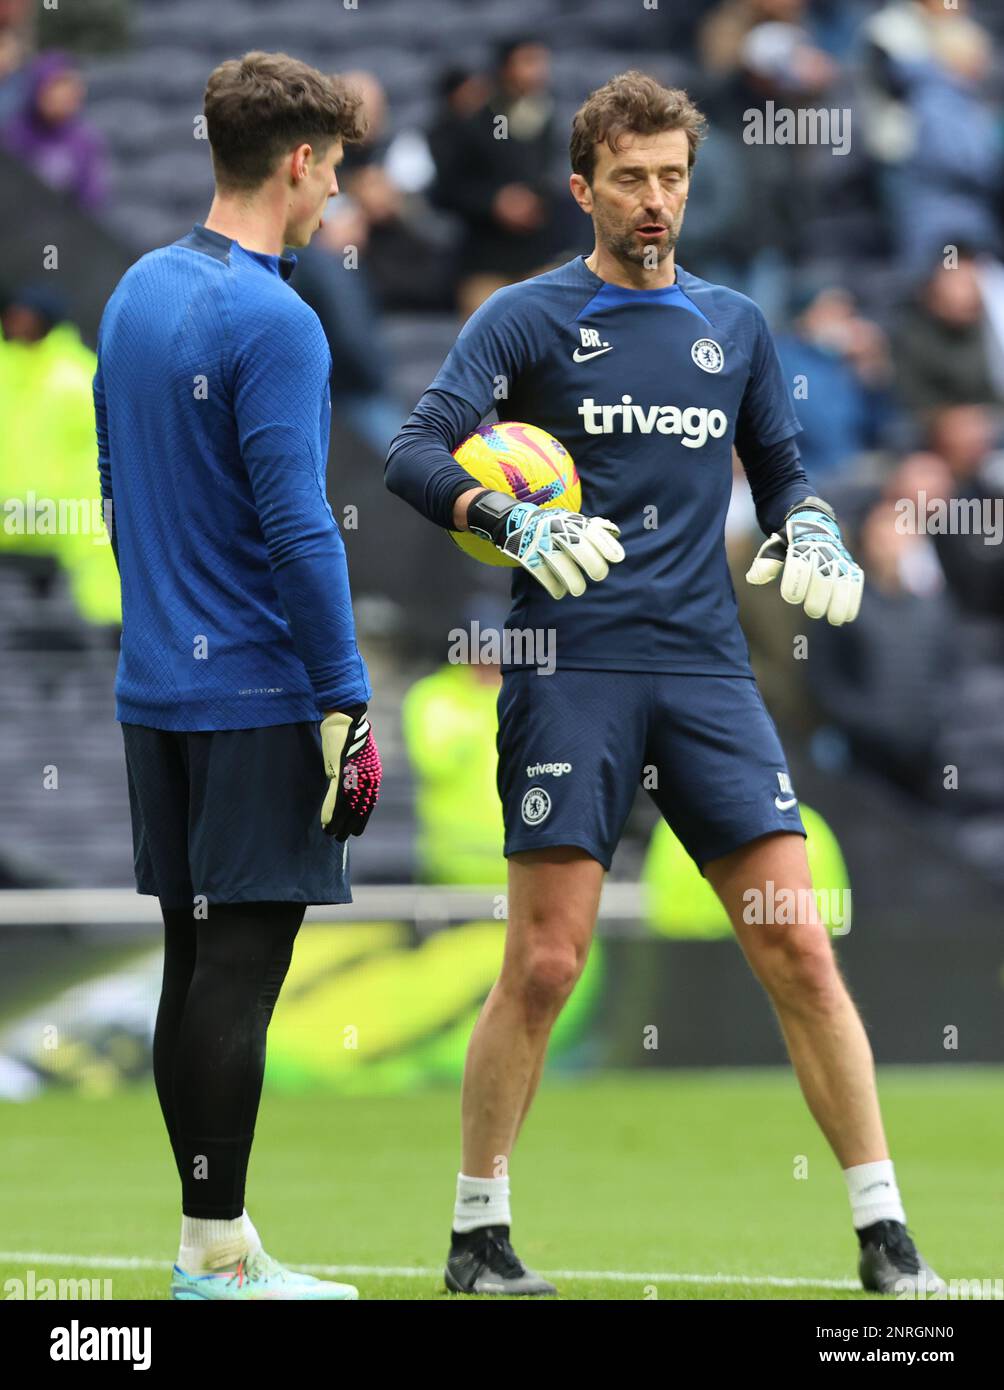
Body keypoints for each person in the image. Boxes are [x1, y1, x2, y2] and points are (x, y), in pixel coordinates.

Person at [385, 69, 944, 1298]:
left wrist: (809, 529)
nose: (654, 201)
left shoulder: (733, 325)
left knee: (796, 947)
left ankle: (882, 1231)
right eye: (629, 179)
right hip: (568, 665)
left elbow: (783, 467)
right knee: (542, 963)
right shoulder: (523, 320)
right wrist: (506, 523)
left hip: (703, 669)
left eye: (672, 178)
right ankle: (479, 1234)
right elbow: (410, 450)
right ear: (582, 185)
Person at [94, 51, 381, 1301]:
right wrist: (345, 696)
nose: (337, 195)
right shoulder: (278, 318)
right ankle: (215, 1254)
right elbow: (301, 526)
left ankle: (211, 1238)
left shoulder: (136, 290)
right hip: (260, 694)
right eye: (336, 168)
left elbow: (116, 490)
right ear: (299, 161)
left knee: (189, 965)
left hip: (156, 687)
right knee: (239, 981)